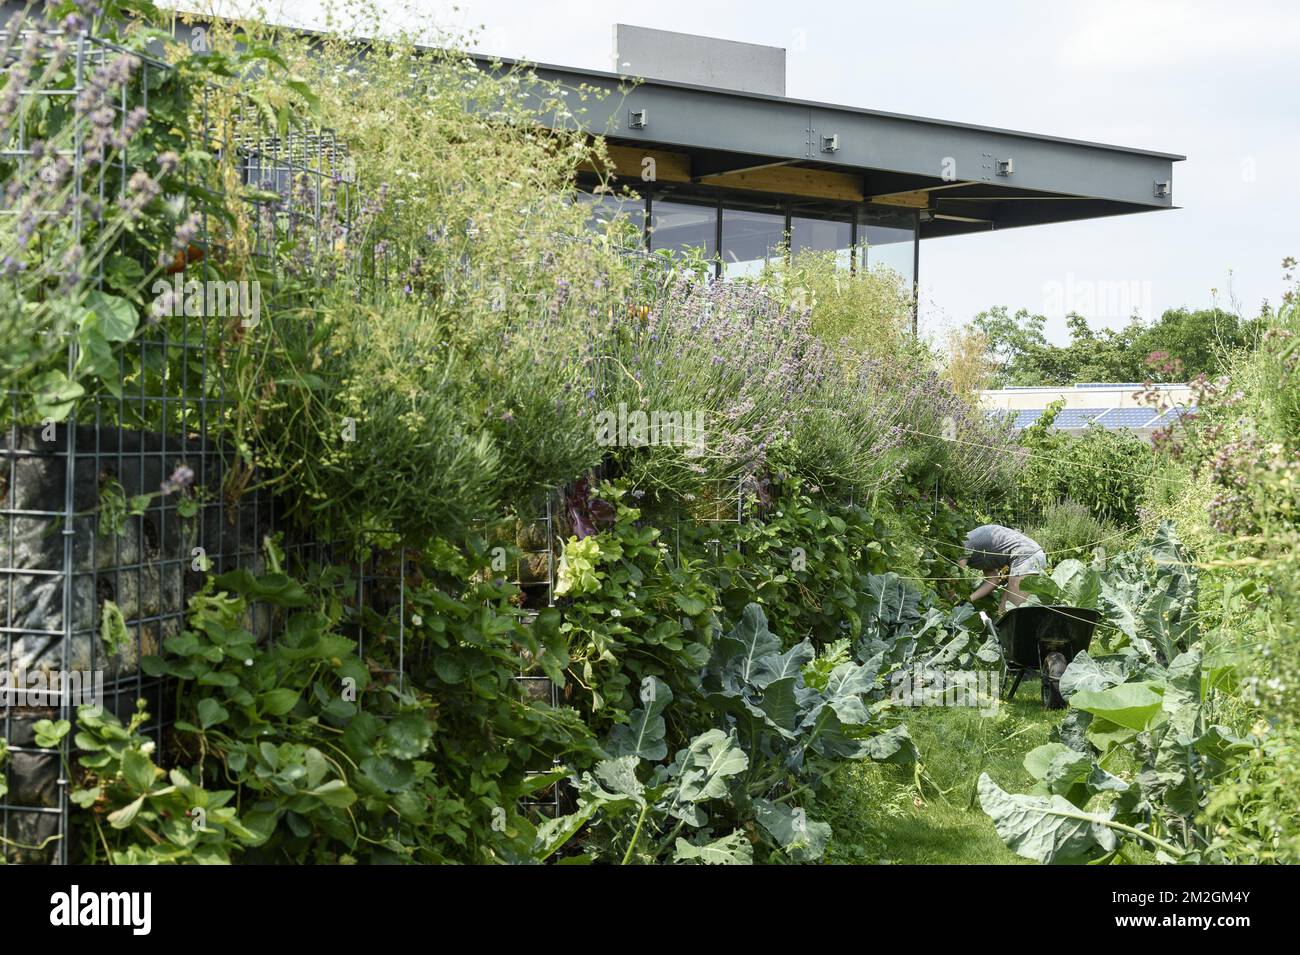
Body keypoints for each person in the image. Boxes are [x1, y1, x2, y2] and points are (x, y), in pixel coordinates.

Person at [956, 524, 1047, 615]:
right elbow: (993, 580)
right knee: (1002, 613)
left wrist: (953, 601)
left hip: (1025, 556)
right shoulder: (978, 551)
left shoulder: (961, 545)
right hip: (1031, 554)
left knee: (1014, 613)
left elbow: (955, 580)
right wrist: (967, 600)